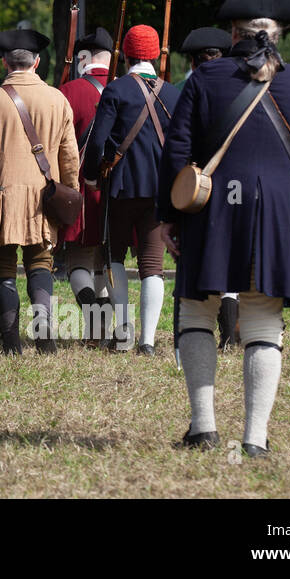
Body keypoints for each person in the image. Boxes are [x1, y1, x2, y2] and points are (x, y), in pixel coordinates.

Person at [159, 0, 290, 456]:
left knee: (197, 310)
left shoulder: (204, 79)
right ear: (277, 35)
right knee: (264, 319)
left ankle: (203, 429)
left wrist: (169, 217)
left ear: (233, 32)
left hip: (214, 210)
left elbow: (177, 152)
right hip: (282, 217)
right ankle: (254, 440)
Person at [0, 30, 79, 354]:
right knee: (41, 263)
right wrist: (68, 191)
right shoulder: (58, 99)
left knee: (2, 267)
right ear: (37, 62)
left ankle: (11, 344)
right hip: (45, 196)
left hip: (1, 196)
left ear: (4, 63)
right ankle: (44, 340)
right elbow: (69, 157)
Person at [83, 24, 180, 355]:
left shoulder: (116, 90)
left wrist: (92, 175)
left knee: (115, 259)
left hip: (121, 187)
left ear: (124, 55)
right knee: (153, 265)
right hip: (159, 191)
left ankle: (123, 332)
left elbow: (97, 142)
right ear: (154, 55)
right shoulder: (173, 93)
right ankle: (148, 341)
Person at [176, 26, 239, 349]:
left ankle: (200, 333)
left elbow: (177, 147)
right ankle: (231, 334)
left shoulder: (191, 88)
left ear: (193, 62)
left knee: (200, 257)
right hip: (240, 185)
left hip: (201, 187)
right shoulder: (249, 84)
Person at [57, 26, 115, 344]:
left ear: (83, 58)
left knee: (78, 261)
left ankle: (95, 325)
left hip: (81, 186)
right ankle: (102, 331)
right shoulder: (125, 89)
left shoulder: (69, 91)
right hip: (116, 190)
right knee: (103, 261)